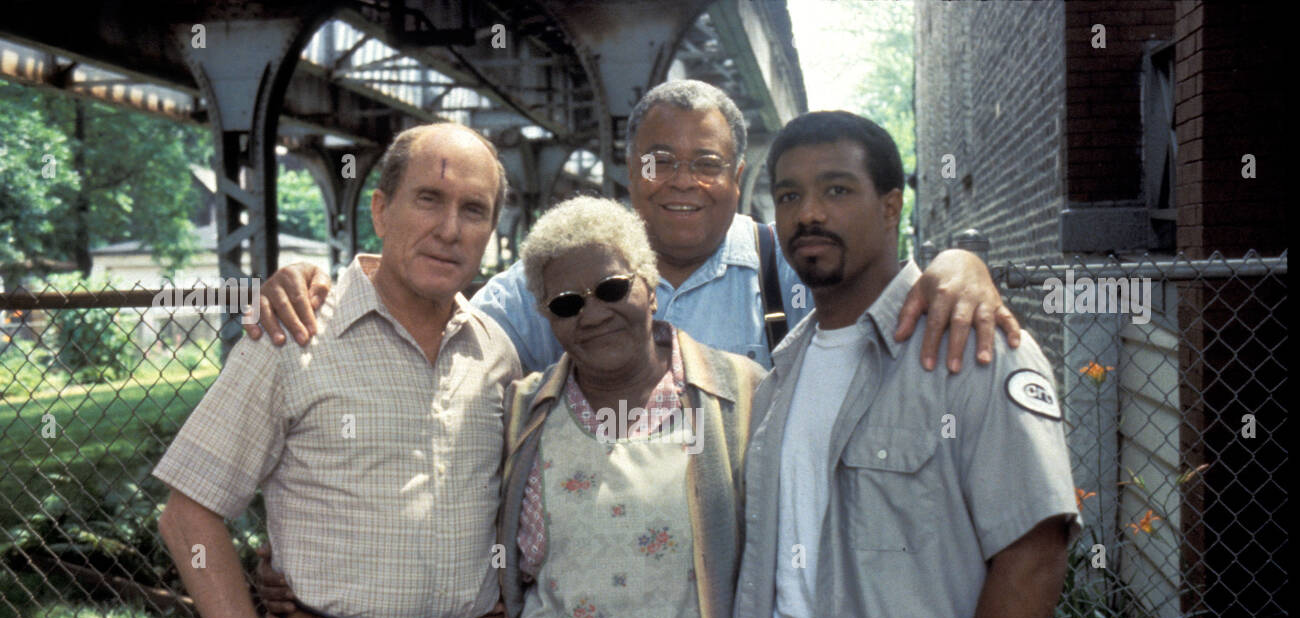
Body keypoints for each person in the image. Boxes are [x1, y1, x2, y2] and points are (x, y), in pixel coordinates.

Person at [154, 122, 520, 618]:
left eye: (474, 210)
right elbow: (188, 516)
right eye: (429, 199)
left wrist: (515, 609)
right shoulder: (293, 337)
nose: (451, 229)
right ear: (379, 210)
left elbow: (517, 512)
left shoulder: (495, 352)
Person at [731, 111, 1081, 618]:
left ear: (892, 205)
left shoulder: (971, 349)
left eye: (836, 189)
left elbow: (1035, 551)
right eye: (788, 196)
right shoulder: (782, 374)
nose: (809, 213)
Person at [246, 80, 1019, 377]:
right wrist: (339, 279)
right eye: (659, 161)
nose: (682, 181)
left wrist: (957, 262)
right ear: (628, 175)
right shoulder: (555, 279)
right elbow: (441, 331)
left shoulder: (797, 265)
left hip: (748, 603)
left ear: (738, 180)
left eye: (706, 162)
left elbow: (889, 286)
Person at [487, 195, 763, 618]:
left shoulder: (739, 399)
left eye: (611, 288)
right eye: (566, 303)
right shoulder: (522, 415)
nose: (594, 313)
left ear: (649, 285)